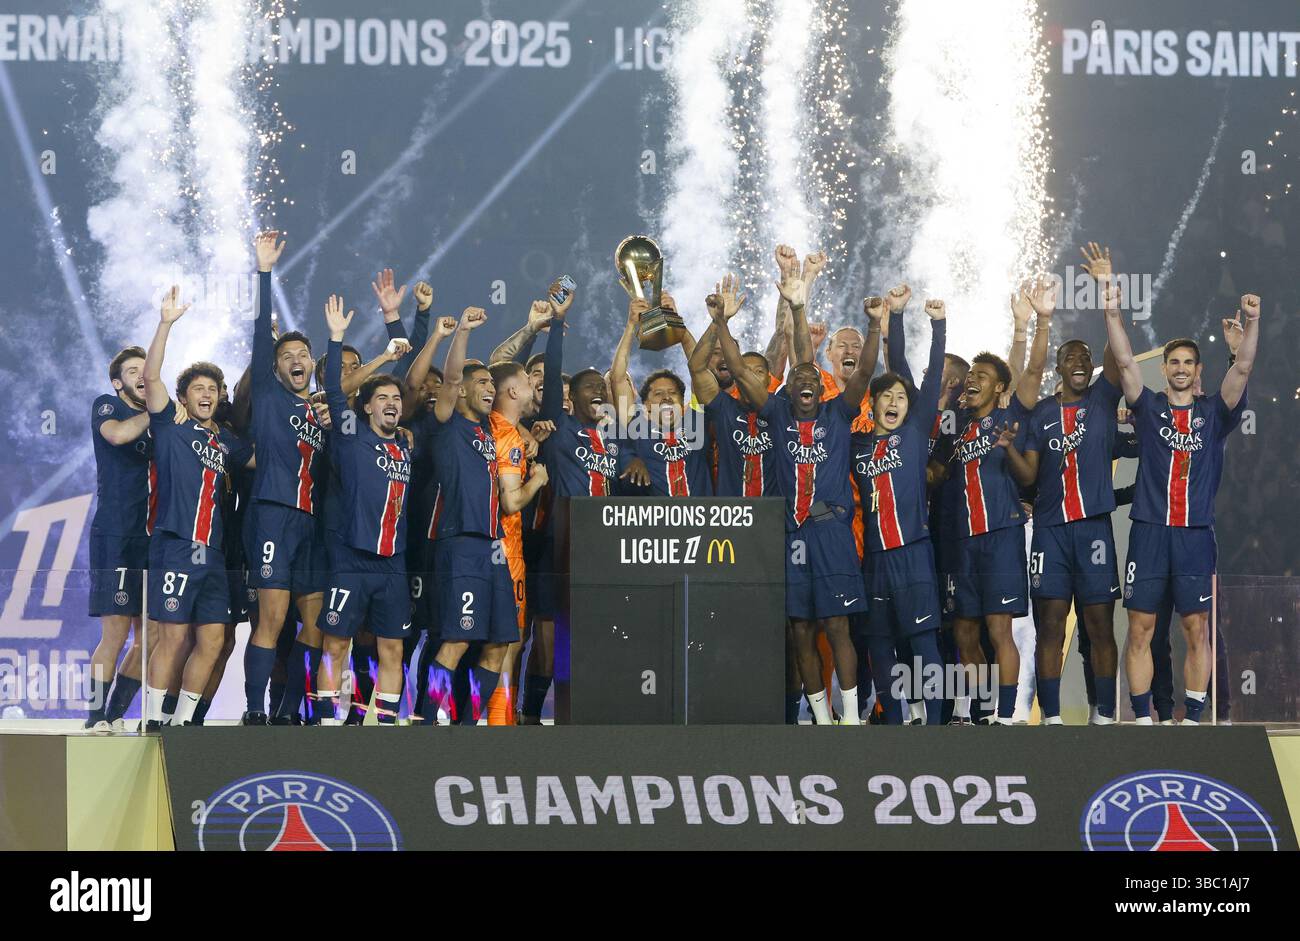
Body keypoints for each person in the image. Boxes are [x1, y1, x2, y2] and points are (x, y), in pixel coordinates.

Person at [1101, 242, 1258, 725]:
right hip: (1148, 531)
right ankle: (1144, 720)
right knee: (1141, 630)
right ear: (1165, 369)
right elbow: (1125, 362)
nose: (1182, 368)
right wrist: (1111, 302)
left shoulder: (1214, 414)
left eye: (1189, 362)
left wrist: (1251, 324)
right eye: (1174, 362)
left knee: (1196, 628)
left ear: (1198, 370)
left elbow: (1244, 368)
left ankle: (1192, 719)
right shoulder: (1147, 407)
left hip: (1194, 535)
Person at [746, 265, 876, 725]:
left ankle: (855, 718)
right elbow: (802, 357)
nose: (806, 383)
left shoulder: (845, 409)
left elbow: (860, 370)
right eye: (800, 380)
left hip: (840, 532)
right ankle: (821, 719)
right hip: (795, 534)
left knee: (843, 627)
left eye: (858, 347)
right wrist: (797, 303)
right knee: (801, 630)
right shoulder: (788, 409)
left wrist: (877, 324)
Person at [141, 287, 254, 729]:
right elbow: (151, 379)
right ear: (184, 397)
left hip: (216, 556)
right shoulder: (170, 426)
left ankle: (184, 724)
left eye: (212, 389)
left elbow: (268, 459)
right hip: (175, 545)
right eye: (197, 388)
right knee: (172, 637)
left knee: (212, 641)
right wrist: (166, 323)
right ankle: (151, 721)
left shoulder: (224, 440)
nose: (205, 394)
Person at [312, 295, 415, 725]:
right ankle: (327, 723)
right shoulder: (352, 433)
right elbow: (335, 390)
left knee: (393, 649)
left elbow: (409, 365)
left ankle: (386, 726)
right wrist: (336, 339)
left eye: (397, 398)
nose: (392, 402)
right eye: (383, 397)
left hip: (393, 564)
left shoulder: (406, 444)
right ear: (368, 406)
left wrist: (401, 325)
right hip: (352, 559)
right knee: (335, 643)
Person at [240, 231, 329, 725]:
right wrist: (265, 271)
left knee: (313, 627)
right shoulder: (271, 400)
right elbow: (259, 331)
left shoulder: (318, 413)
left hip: (310, 525)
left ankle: (290, 709)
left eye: (303, 356)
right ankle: (256, 711)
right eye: (286, 357)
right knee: (272, 619)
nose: (296, 362)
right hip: (272, 513)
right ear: (275, 368)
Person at [419, 306, 518, 724]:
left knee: (499, 644)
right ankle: (430, 721)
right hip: (459, 544)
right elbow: (454, 377)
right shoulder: (447, 424)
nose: (489, 388)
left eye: (492, 384)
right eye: (482, 382)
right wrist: (461, 332)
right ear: (459, 392)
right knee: (457, 640)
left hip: (493, 547)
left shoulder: (486, 431)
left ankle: (468, 723)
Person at [854, 295, 948, 724]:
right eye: (885, 396)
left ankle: (932, 728)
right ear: (872, 404)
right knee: (879, 644)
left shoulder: (912, 437)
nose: (894, 402)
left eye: (900, 399)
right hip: (874, 560)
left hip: (913, 553)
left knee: (924, 642)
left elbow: (926, 384)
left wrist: (936, 324)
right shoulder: (857, 447)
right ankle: (891, 725)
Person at [938, 341, 1034, 725]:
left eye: (983, 376)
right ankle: (983, 710)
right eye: (971, 374)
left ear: (999, 388)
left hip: (1001, 538)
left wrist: (1008, 449)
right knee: (964, 632)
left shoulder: (1009, 419)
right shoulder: (955, 426)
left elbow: (1028, 476)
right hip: (963, 541)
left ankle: (1007, 716)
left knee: (999, 629)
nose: (972, 380)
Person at [86, 346, 153, 730]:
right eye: (132, 371)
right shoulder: (108, 407)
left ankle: (114, 715)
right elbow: (118, 436)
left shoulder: (163, 421)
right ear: (118, 383)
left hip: (154, 537)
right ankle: (94, 717)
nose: (142, 375)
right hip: (116, 533)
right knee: (116, 632)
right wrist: (155, 413)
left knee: (152, 638)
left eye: (146, 369)